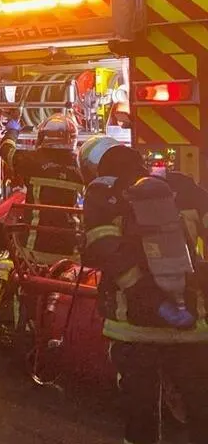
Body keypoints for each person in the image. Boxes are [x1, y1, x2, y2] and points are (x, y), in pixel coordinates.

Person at [80, 141, 208, 444]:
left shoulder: (102, 194)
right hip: (193, 325)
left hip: (134, 329)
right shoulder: (183, 187)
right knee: (201, 412)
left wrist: (145, 297)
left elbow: (102, 249)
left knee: (141, 419)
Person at [0, 112, 85, 260]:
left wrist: (13, 130)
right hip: (71, 253)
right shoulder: (83, 167)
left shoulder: (31, 161)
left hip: (35, 250)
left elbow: (5, 150)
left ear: (43, 137)